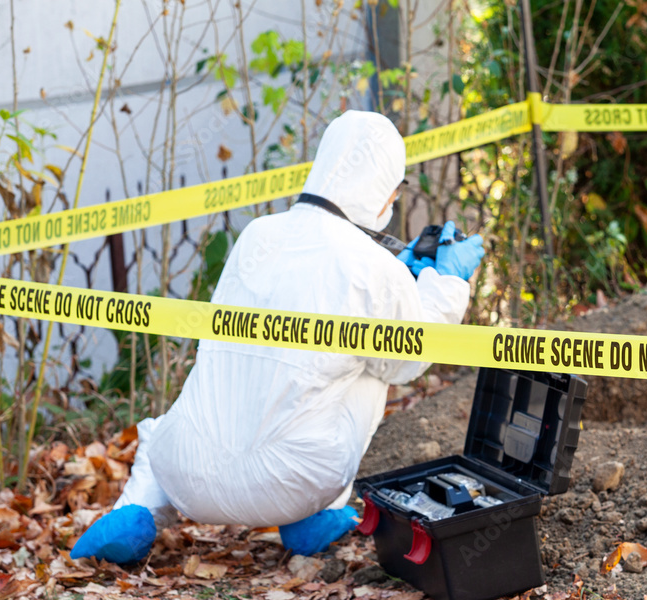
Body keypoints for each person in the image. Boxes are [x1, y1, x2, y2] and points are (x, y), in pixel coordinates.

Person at [70, 110, 485, 563]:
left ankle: (139, 510)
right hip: (292, 482)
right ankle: (316, 517)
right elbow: (408, 362)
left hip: (186, 474)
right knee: (371, 367)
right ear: (384, 186)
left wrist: (399, 278)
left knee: (214, 380)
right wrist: (446, 283)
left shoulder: (256, 235)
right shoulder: (373, 267)